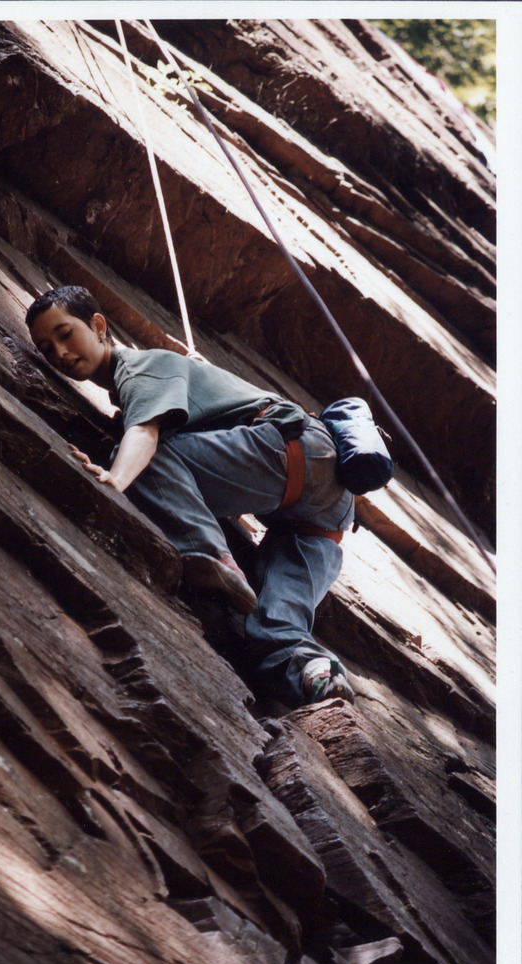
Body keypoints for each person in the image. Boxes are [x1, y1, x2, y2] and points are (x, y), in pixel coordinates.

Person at [25, 285, 355, 708]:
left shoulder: (141, 366)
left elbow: (145, 435)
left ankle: (209, 555)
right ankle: (319, 675)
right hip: (323, 513)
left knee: (144, 457)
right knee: (271, 626)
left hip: (294, 451)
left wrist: (115, 480)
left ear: (98, 325)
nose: (60, 353)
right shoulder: (151, 378)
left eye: (65, 334)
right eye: (46, 349)